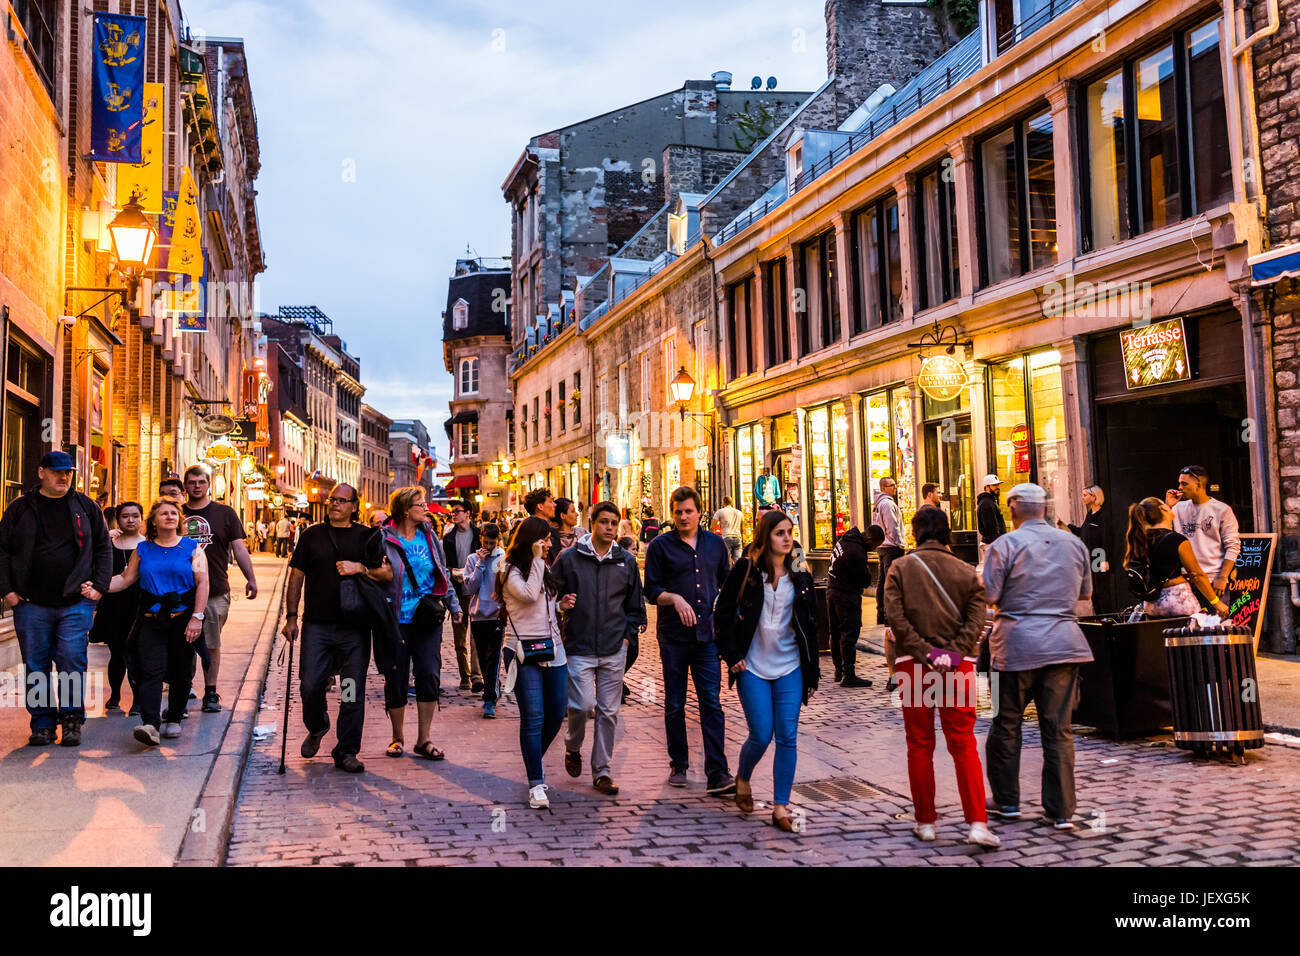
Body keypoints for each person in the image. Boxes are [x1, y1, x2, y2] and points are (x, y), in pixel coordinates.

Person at [883, 507, 999, 848]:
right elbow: (977, 621)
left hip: (913, 665)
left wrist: (927, 653)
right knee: (964, 743)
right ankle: (977, 822)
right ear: (948, 532)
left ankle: (926, 821)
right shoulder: (966, 571)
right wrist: (952, 653)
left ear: (915, 531)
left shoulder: (900, 568)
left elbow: (895, 617)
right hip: (956, 666)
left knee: (919, 744)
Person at [981, 483, 1092, 831]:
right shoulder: (1074, 544)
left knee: (1006, 724)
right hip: (1062, 643)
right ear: (1044, 508)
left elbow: (989, 594)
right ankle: (1060, 811)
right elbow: (1085, 596)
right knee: (1058, 730)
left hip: (1016, 645)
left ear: (1013, 509)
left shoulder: (1005, 545)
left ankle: (1007, 801)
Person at [714, 510, 819, 832]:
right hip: (753, 665)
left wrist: (812, 672)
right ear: (765, 536)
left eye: (790, 532)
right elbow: (721, 616)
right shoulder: (746, 570)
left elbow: (811, 626)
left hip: (790, 665)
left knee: (787, 736)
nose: (787, 538)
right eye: (779, 533)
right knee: (761, 734)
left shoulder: (801, 575)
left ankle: (780, 806)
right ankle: (743, 777)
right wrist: (731, 655)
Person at [0, 451, 112, 747]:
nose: (64, 477)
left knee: (72, 661)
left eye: (68, 472)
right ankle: (42, 723)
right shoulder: (21, 508)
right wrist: (7, 590)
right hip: (29, 603)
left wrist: (99, 587)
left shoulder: (86, 507)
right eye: (57, 471)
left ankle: (72, 719)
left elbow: (103, 547)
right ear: (41, 473)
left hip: (75, 602)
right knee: (36, 664)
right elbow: (3, 550)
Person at [283, 484, 385, 773]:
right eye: (332, 500)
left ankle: (346, 750)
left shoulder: (367, 537)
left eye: (342, 501)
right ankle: (318, 726)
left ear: (355, 506)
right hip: (317, 626)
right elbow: (296, 576)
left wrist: (360, 568)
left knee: (351, 691)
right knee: (311, 685)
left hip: (354, 630)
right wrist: (291, 617)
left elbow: (385, 573)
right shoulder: (312, 535)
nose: (335, 504)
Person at [643, 486, 735, 796]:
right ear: (672, 513)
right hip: (673, 638)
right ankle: (679, 763)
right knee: (675, 702)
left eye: (689, 511)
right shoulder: (659, 547)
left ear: (699, 512)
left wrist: (723, 611)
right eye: (678, 511)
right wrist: (674, 598)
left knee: (711, 702)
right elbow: (651, 590)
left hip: (707, 637)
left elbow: (727, 585)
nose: (684, 516)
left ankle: (717, 772)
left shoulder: (716, 545)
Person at [553, 501, 646, 796]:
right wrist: (559, 606)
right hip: (578, 645)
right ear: (592, 523)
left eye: (613, 523)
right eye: (603, 522)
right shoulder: (570, 558)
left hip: (613, 646)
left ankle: (602, 771)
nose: (609, 528)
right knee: (582, 705)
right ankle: (572, 745)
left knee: (608, 711)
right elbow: (548, 594)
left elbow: (635, 604)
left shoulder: (625, 561)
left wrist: (627, 637)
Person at [109, 498, 208, 746]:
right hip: (151, 618)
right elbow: (124, 579)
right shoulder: (143, 550)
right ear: (153, 520)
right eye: (163, 513)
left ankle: (174, 717)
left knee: (180, 669)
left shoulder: (193, 549)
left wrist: (197, 617)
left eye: (174, 513)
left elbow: (203, 583)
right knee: (148, 669)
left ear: (180, 519)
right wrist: (97, 587)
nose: (169, 516)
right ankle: (151, 723)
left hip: (183, 618)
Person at [379, 486, 462, 761]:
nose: (426, 508)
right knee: (397, 677)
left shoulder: (430, 536)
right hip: (396, 619)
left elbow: (441, 571)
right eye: (420, 504)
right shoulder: (384, 539)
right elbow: (376, 574)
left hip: (427, 617)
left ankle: (424, 739)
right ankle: (397, 737)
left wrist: (453, 604)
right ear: (405, 510)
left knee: (428, 674)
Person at [498, 516, 573, 809]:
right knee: (534, 716)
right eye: (545, 539)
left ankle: (533, 760)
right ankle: (536, 782)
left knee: (556, 712)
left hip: (553, 650)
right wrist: (538, 559)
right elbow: (528, 596)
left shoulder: (543, 566)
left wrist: (559, 604)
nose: (550, 544)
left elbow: (542, 602)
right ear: (532, 541)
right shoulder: (508, 570)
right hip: (522, 651)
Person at [181, 464, 257, 714]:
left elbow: (239, 549)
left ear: (209, 484)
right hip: (180, 591)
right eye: (191, 482)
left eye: (201, 482)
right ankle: (183, 688)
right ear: (185, 485)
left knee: (210, 644)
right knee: (181, 644)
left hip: (215, 590)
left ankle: (210, 692)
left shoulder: (225, 513)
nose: (196, 486)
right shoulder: (175, 513)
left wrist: (251, 578)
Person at [1125, 497, 1231, 618]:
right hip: (1178, 602)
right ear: (1163, 509)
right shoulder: (1177, 539)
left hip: (1152, 606)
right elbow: (1198, 575)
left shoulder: (1140, 539)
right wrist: (1217, 603)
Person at [92, 500, 144, 712]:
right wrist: (103, 541)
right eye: (125, 516)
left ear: (142, 519)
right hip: (114, 606)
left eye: (135, 516)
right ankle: (114, 695)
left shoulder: (148, 544)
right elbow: (94, 567)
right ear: (117, 519)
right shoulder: (108, 543)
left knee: (137, 653)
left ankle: (138, 700)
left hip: (139, 605)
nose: (130, 520)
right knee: (117, 653)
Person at [1172, 465, 1241, 611]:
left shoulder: (1222, 510)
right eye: (1179, 483)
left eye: (1184, 484)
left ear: (1198, 484)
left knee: (1216, 628)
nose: (1179, 488)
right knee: (1190, 630)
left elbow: (1233, 546)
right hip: (1187, 581)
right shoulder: (1177, 508)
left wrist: (1223, 577)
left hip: (1213, 581)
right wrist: (1167, 506)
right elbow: (1163, 536)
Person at [826, 524, 885, 686]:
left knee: (836, 631)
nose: (874, 549)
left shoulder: (846, 539)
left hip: (832, 589)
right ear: (870, 539)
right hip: (846, 594)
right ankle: (848, 674)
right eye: (875, 545)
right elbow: (865, 580)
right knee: (849, 633)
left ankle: (838, 670)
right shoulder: (856, 552)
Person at [462, 522, 507, 718]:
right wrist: (480, 564)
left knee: (494, 657)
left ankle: (489, 699)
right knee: (482, 657)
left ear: (498, 541)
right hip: (478, 615)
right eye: (486, 542)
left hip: (497, 615)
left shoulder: (503, 558)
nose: (488, 547)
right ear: (481, 539)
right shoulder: (473, 559)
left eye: (492, 543)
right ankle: (493, 686)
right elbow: (470, 588)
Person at [442, 500, 483, 693]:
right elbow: (445, 565)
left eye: (457, 511)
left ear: (468, 513)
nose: (454, 515)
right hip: (458, 593)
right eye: (452, 512)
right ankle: (464, 676)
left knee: (476, 637)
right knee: (459, 638)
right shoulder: (448, 538)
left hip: (476, 592)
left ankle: (476, 676)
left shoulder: (479, 535)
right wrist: (452, 572)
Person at [1067, 485, 1115, 615]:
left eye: (1085, 495)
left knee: (1102, 592)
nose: (1082, 498)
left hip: (1099, 556)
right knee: (1094, 592)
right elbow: (1082, 532)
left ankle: (1108, 619)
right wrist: (1068, 527)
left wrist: (1106, 560)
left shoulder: (1103, 515)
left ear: (1094, 497)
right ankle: (1100, 618)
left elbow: (1107, 539)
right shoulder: (1089, 515)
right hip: (1090, 557)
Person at [872, 476, 904, 626]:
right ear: (884, 488)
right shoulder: (887, 504)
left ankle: (882, 614)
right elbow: (892, 527)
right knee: (890, 582)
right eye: (892, 485)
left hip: (883, 547)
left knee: (883, 581)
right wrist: (900, 543)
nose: (895, 488)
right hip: (891, 547)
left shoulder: (879, 504)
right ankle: (888, 616)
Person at [523, 488, 563, 564]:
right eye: (551, 501)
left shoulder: (553, 532)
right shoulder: (525, 531)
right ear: (540, 506)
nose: (555, 504)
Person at [976, 475, 1006, 560]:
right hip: (992, 545)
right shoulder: (987, 504)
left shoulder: (990, 502)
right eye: (995, 485)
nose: (998, 487)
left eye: (998, 485)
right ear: (987, 487)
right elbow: (991, 528)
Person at [710, 496, 745, 565]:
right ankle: (737, 575)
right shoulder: (739, 512)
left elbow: (712, 527)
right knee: (738, 562)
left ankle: (729, 575)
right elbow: (742, 529)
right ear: (732, 503)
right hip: (738, 538)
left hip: (726, 537)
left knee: (726, 562)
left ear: (723, 503)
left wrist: (711, 540)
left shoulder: (720, 512)